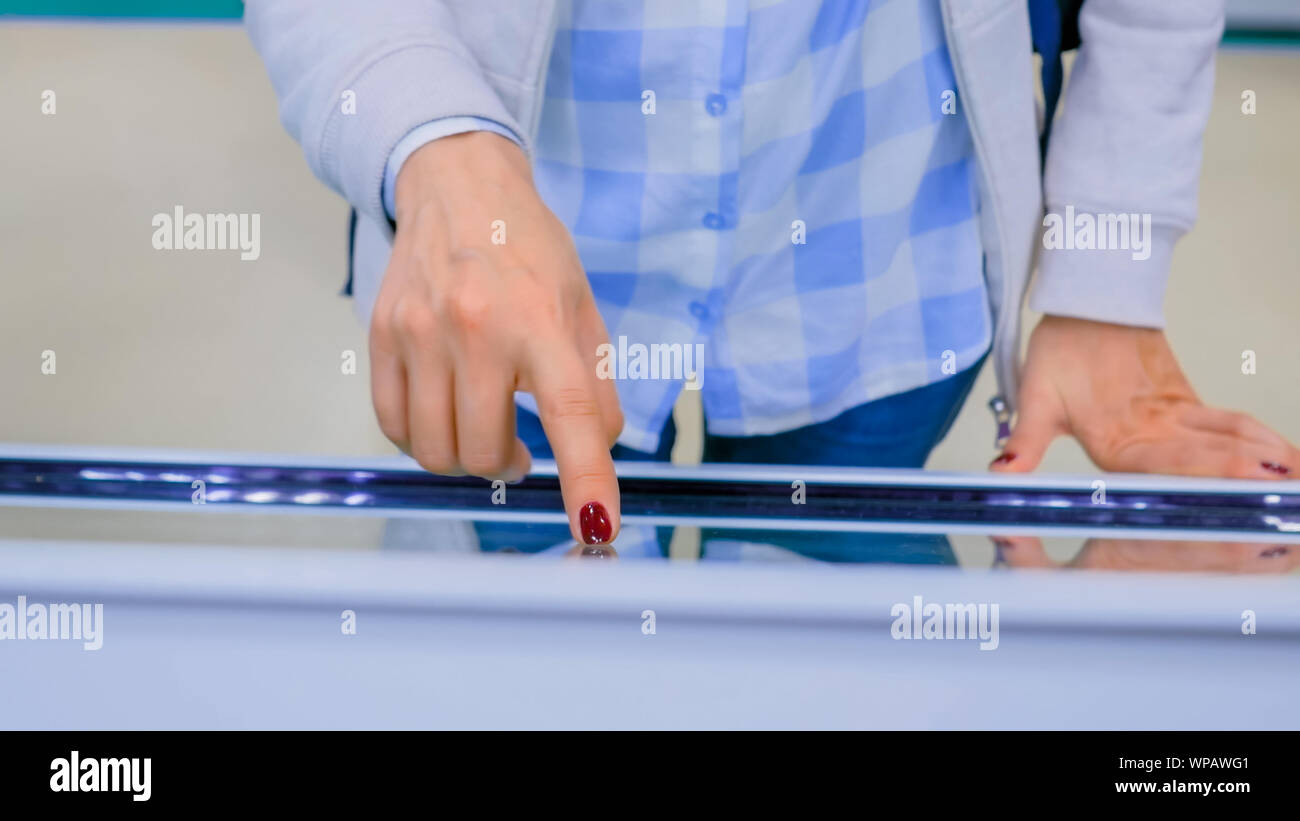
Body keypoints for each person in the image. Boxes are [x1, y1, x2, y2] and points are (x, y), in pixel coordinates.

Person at [247, 0, 1296, 549]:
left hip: (881, 251)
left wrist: (1104, 278)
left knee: (842, 686)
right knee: (519, 682)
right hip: (518, 273)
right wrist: (436, 146)